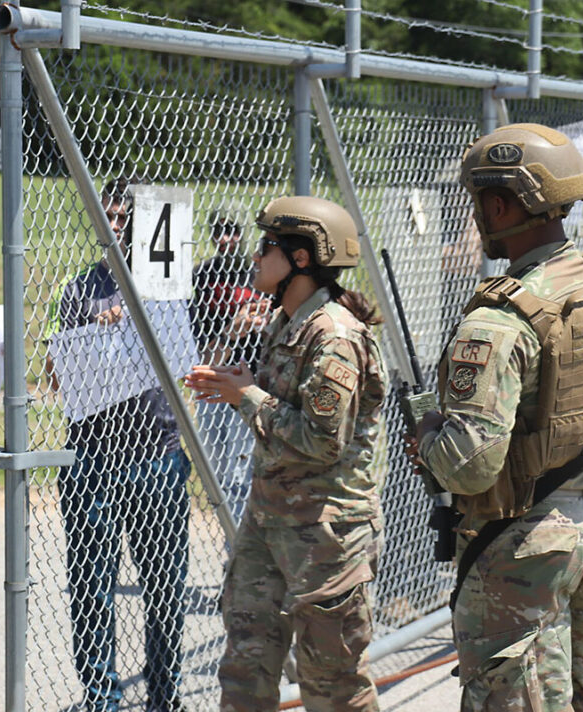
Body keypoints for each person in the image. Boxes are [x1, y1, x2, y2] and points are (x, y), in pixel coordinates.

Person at [412, 123, 583, 710]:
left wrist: (425, 433)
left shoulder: (499, 320)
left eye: (478, 204)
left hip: (522, 547)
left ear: (499, 205)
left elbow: (470, 466)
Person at [185, 196, 387, 712]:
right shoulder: (285, 321)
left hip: (325, 534)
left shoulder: (335, 337)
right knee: (244, 670)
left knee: (333, 684)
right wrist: (242, 388)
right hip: (271, 520)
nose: (254, 257)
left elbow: (321, 440)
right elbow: (282, 414)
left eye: (266, 246)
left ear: (302, 259)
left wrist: (248, 396)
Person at [45, 177, 191, 712]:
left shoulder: (168, 279)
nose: (115, 225)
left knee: (165, 588)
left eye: (125, 217)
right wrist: (102, 330)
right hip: (95, 454)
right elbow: (63, 376)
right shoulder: (81, 289)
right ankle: (102, 697)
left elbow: (183, 354)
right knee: (91, 588)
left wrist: (138, 314)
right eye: (106, 216)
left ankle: (164, 694)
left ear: (141, 221)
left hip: (157, 450)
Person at [190, 212, 269, 525]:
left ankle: (238, 556)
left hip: (250, 384)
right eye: (219, 231)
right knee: (219, 477)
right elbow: (202, 353)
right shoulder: (204, 277)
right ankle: (236, 549)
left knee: (241, 478)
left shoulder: (259, 276)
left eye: (232, 231)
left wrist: (263, 323)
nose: (225, 239)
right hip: (213, 383)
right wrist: (232, 331)